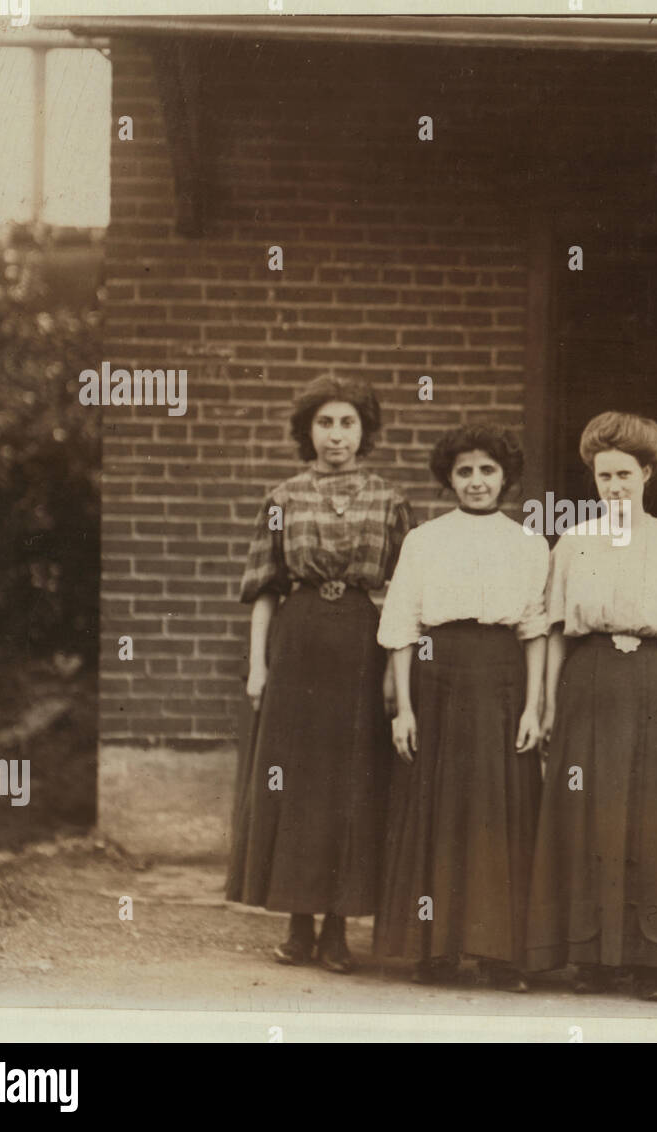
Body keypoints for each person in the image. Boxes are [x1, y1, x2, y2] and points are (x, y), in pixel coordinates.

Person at [525, 411, 657, 1002]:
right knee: (585, 810)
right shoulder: (574, 541)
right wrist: (547, 702)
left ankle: (650, 960)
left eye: (625, 474)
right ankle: (590, 955)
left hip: (652, 681)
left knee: (652, 813)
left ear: (649, 473)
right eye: (604, 476)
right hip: (587, 678)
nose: (614, 486)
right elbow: (555, 628)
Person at [226, 374, 412, 973]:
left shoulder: (390, 500)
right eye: (325, 423)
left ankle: (337, 930)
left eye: (348, 423)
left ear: (366, 431)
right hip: (298, 638)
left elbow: (403, 594)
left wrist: (392, 673)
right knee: (294, 781)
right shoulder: (282, 499)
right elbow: (264, 589)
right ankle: (297, 925)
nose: (337, 436)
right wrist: (258, 667)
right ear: (308, 431)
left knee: (349, 783)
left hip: (362, 640)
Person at [375, 425, 548, 992]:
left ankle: (502, 953)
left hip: (503, 679)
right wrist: (404, 707)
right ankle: (436, 947)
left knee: (502, 811)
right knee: (439, 809)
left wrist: (535, 704)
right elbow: (401, 624)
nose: (476, 481)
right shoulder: (423, 541)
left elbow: (535, 631)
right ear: (449, 478)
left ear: (505, 477)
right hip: (438, 675)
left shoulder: (528, 543)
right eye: (465, 471)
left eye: (487, 470)